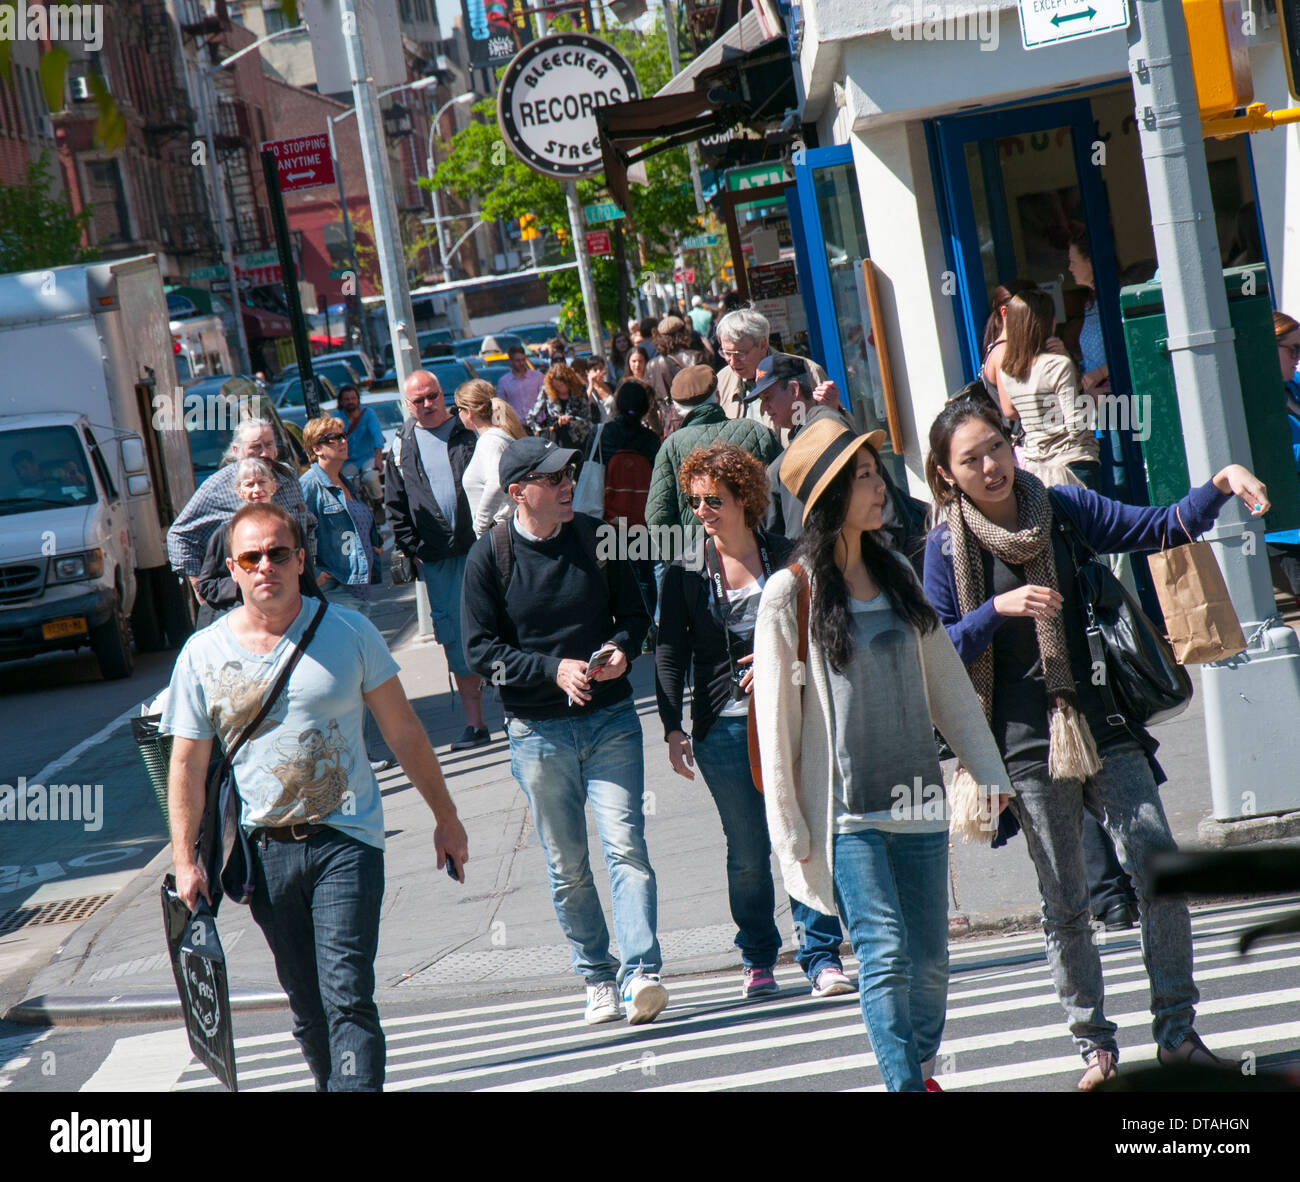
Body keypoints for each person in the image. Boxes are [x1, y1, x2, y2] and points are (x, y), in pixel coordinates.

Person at [921, 397, 1270, 1088]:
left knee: (1159, 868)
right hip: (1023, 745)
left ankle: (1177, 1032)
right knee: (1067, 904)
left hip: (1101, 724)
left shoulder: (1060, 508)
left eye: (997, 446)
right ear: (945, 475)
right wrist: (996, 610)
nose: (991, 465)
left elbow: (1158, 526)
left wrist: (1221, 483)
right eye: (971, 458)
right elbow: (934, 650)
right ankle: (1095, 1047)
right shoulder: (943, 548)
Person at [163, 500, 470, 1092]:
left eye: (278, 554)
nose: (265, 567)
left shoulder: (348, 632)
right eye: (251, 558)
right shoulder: (202, 655)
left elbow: (404, 731)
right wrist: (184, 859)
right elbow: (186, 762)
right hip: (263, 851)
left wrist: (446, 818)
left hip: (346, 839)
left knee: (348, 995)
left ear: (301, 559)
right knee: (307, 1007)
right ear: (232, 567)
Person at [753, 418, 1010, 1091]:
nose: (879, 484)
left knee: (929, 963)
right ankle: (905, 1086)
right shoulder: (791, 592)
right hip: (847, 815)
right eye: (864, 476)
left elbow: (946, 684)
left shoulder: (896, 570)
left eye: (875, 470)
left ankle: (921, 1072)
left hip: (918, 799)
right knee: (885, 954)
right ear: (832, 496)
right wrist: (792, 832)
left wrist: (986, 768)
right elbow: (776, 726)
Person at [461, 436, 665, 1026]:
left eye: (568, 474)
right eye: (553, 479)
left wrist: (623, 650)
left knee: (626, 846)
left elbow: (635, 615)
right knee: (568, 863)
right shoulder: (489, 556)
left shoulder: (597, 536)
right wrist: (553, 670)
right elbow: (480, 653)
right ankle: (597, 976)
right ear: (519, 492)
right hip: (537, 733)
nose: (567, 484)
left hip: (611, 721)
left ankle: (640, 974)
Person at [656, 441, 813, 1001]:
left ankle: (819, 954)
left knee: (802, 834)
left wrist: (784, 663)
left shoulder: (789, 556)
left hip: (790, 714)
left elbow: (818, 631)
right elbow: (670, 651)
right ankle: (758, 956)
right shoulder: (684, 573)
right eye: (694, 501)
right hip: (722, 727)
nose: (702, 511)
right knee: (748, 850)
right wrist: (672, 727)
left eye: (713, 500)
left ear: (744, 498)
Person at [384, 369, 491, 752]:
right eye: (419, 400)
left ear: (443, 395)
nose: (427, 405)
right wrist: (414, 548)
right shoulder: (400, 447)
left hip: (482, 548)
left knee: (501, 625)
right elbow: (394, 505)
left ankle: (517, 712)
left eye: (433, 396)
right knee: (455, 639)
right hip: (438, 559)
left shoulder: (469, 430)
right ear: (407, 405)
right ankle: (475, 724)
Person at [168, 417, 315, 603]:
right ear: (237, 451)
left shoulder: (288, 475)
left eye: (269, 445)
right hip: (251, 599)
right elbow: (179, 535)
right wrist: (200, 590)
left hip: (297, 594)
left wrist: (311, 567)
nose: (264, 453)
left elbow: (307, 523)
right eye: (255, 447)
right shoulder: (217, 486)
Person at [645, 366, 780, 560]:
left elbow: (657, 515)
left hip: (703, 562)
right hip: (762, 552)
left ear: (677, 409)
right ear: (717, 396)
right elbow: (783, 490)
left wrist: (683, 562)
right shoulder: (756, 431)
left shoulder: (671, 446)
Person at [195, 458, 323, 629]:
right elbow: (206, 585)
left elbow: (306, 579)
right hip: (243, 623)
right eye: (249, 484)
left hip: (289, 621)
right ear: (239, 491)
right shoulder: (226, 533)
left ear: (273, 486)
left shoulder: (291, 528)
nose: (257, 490)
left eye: (262, 482)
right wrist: (246, 583)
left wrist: (321, 615)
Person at [997, 289, 1101, 489]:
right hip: (1074, 463)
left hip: (1038, 469)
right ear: (1049, 323)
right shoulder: (1057, 365)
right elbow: (1076, 426)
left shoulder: (1007, 371)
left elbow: (1011, 410)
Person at [300, 415, 383, 613]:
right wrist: (315, 574)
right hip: (334, 591)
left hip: (360, 589)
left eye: (343, 436)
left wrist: (373, 545)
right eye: (333, 439)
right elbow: (295, 533)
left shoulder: (344, 481)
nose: (342, 442)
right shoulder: (309, 485)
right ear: (316, 449)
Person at [714, 308, 829, 433]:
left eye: (739, 354)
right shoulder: (722, 380)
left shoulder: (807, 370)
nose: (732, 361)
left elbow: (836, 427)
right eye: (726, 353)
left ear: (763, 344)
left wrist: (834, 408)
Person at [455, 378, 526, 538]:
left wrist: (480, 526)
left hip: (500, 531)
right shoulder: (495, 437)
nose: (457, 414)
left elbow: (496, 483)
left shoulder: (491, 441)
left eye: (458, 409)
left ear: (469, 412)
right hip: (504, 528)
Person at [645, 315, 708, 438]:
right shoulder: (696, 357)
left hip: (670, 428)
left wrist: (660, 430)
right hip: (699, 422)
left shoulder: (652, 365)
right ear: (684, 333)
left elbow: (650, 406)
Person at [526, 362, 593, 453]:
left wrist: (570, 420)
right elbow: (531, 417)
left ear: (569, 382)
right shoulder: (546, 391)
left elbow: (587, 418)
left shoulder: (580, 389)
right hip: (555, 440)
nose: (559, 389)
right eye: (556, 386)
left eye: (561, 385)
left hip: (579, 439)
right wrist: (539, 431)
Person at [336, 384, 385, 509]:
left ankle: (378, 504)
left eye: (353, 398)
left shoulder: (368, 414)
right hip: (349, 460)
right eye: (347, 399)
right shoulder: (337, 419)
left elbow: (377, 436)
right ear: (341, 402)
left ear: (358, 399)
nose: (350, 402)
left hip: (368, 456)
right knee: (348, 484)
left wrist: (378, 458)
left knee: (370, 478)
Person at [497, 344, 546, 423]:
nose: (521, 363)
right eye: (517, 360)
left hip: (538, 423)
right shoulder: (504, 382)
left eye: (523, 360)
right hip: (518, 425)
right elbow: (500, 406)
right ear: (511, 361)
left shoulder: (538, 377)